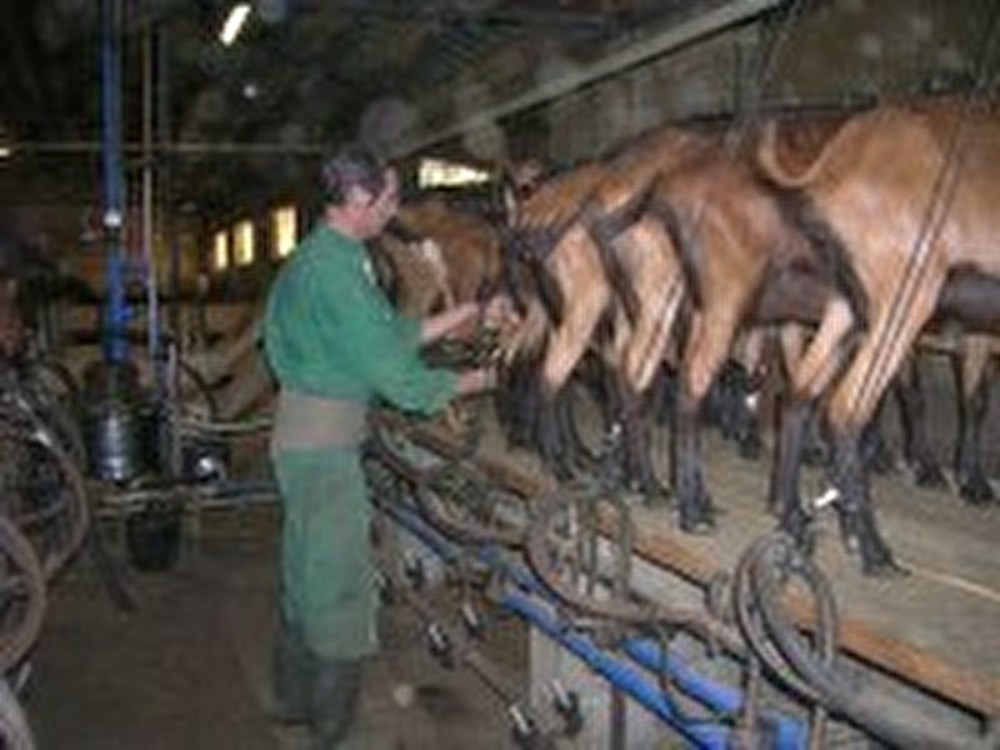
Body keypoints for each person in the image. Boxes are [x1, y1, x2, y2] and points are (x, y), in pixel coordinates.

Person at [263, 144, 503, 748]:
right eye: (390, 200)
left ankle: (293, 701)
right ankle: (330, 730)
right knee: (339, 585)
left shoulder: (327, 258)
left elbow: (384, 335)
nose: (394, 212)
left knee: (305, 573)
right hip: (324, 449)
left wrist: (464, 314)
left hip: (304, 438)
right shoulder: (337, 271)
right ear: (359, 201)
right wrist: (473, 381)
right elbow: (394, 377)